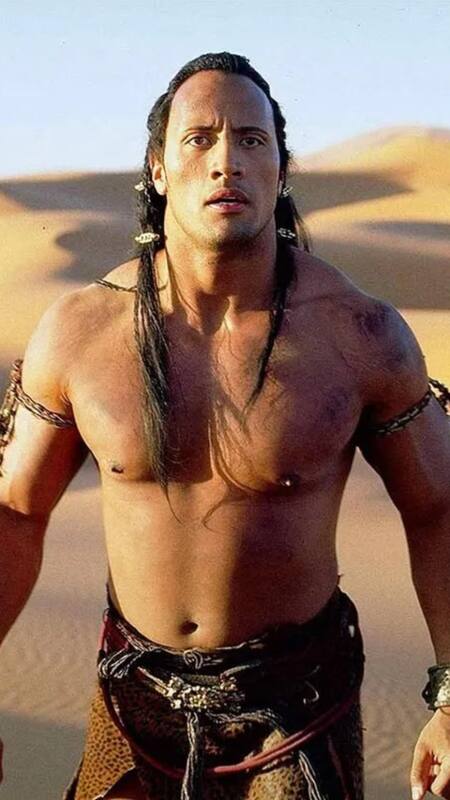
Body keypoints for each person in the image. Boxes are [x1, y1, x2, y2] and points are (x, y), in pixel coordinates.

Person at [0, 51, 449, 800]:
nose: (226, 161)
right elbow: (16, 510)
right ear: (157, 169)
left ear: (281, 169)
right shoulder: (79, 331)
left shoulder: (360, 335)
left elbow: (439, 507)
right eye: (199, 138)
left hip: (295, 709)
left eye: (251, 139)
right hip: (133, 698)